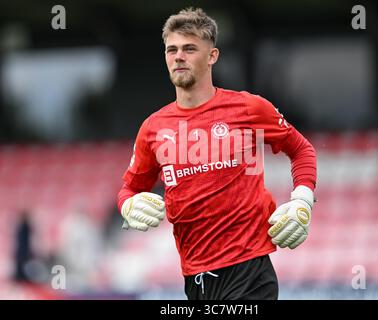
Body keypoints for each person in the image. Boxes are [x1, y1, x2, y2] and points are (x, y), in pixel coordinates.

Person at [117, 7, 317, 300]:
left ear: (212, 56)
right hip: (195, 279)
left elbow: (301, 149)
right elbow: (130, 188)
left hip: (249, 272)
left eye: (189, 49)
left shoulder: (248, 108)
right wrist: (127, 206)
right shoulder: (153, 128)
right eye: (171, 49)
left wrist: (302, 201)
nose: (178, 57)